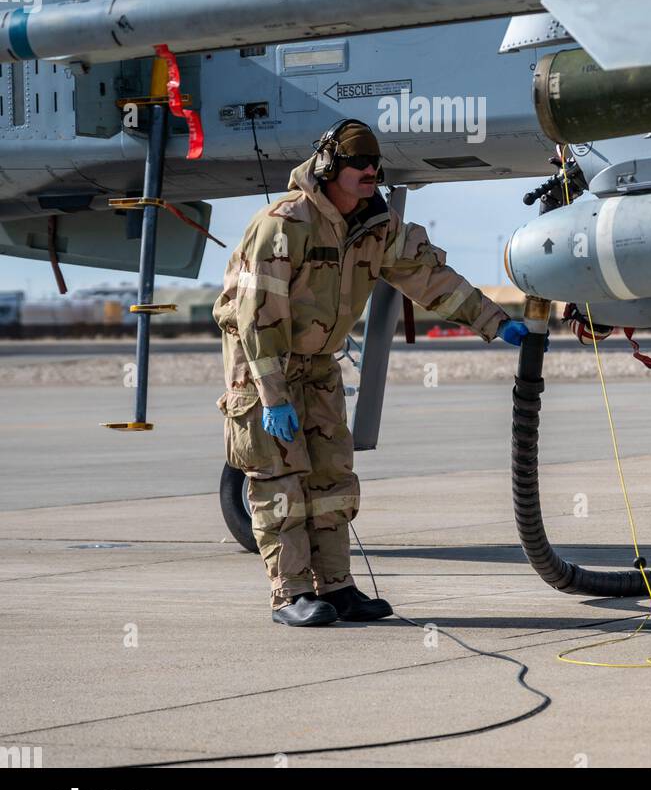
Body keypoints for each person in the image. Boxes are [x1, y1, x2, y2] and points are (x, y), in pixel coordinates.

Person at [213, 119, 538, 627]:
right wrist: (273, 397)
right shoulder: (284, 224)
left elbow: (429, 278)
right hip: (262, 367)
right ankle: (291, 593)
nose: (370, 171)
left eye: (374, 163)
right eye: (358, 163)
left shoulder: (375, 227)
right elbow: (258, 318)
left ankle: (337, 588)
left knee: (332, 480)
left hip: (317, 366)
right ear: (329, 168)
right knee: (279, 481)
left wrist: (494, 322)